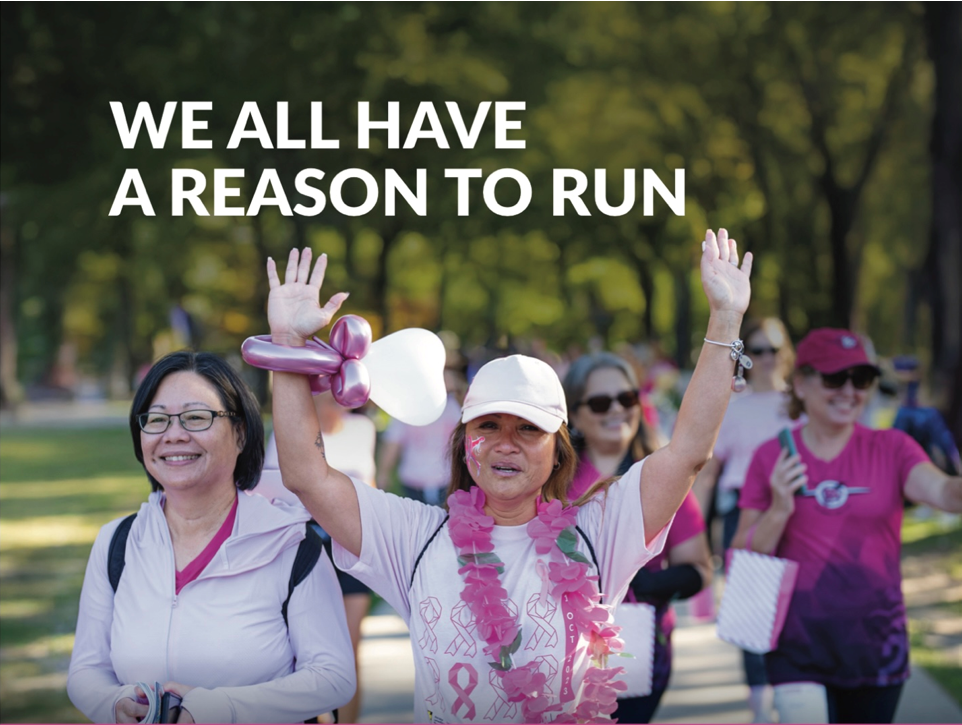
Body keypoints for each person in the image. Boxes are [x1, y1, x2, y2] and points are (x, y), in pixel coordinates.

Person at [263, 228, 751, 723]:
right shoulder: (413, 538)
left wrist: (726, 320)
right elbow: (306, 475)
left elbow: (689, 451)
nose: (504, 444)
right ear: (464, 443)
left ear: (558, 453)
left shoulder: (599, 531)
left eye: (527, 430)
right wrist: (287, 344)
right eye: (489, 425)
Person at [67, 351, 355, 724]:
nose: (174, 434)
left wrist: (223, 709)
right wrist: (114, 702)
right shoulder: (116, 544)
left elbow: (334, 678)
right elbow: (86, 670)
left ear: (240, 433)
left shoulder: (291, 545)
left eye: (196, 417)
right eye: (156, 420)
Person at [732, 328, 962, 724]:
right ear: (800, 384)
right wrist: (779, 510)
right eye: (835, 378)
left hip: (875, 647)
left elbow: (944, 493)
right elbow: (741, 553)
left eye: (862, 379)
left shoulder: (892, 448)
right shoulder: (771, 456)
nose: (850, 391)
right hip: (796, 647)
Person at [563, 353, 711, 723]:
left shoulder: (665, 476)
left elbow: (699, 568)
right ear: (575, 415)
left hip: (637, 649)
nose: (616, 409)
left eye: (627, 398)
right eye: (600, 402)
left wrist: (645, 582)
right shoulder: (552, 479)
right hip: (562, 654)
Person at [691, 316, 797, 721]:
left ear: (785, 352)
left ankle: (793, 697)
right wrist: (695, 528)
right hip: (742, 513)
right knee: (752, 616)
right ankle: (760, 709)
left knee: (795, 610)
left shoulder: (803, 405)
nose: (767, 358)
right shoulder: (732, 408)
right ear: (745, 357)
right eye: (757, 350)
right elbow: (709, 475)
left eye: (773, 349)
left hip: (794, 511)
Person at [259, 390, 376, 725]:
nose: (340, 401)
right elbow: (271, 495)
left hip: (351, 547)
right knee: (308, 654)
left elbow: (370, 484)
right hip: (306, 545)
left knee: (350, 648)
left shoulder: (362, 429)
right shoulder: (288, 434)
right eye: (331, 394)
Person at [377, 368, 465, 505]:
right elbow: (392, 443)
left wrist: (456, 388)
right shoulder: (406, 409)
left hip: (446, 480)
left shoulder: (454, 406)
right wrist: (383, 473)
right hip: (413, 479)